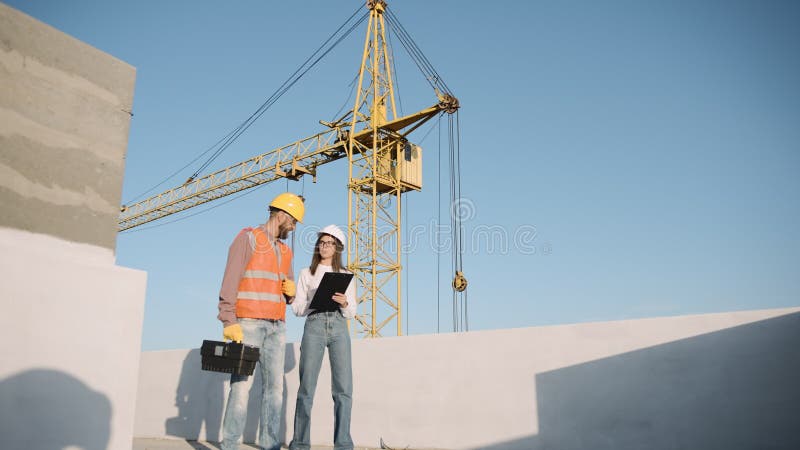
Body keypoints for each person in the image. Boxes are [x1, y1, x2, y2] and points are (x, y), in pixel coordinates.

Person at [217, 192, 305, 450]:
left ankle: (269, 445)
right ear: (282, 215)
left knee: (274, 391)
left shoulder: (286, 251)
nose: (294, 227)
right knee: (241, 388)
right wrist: (228, 319)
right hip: (248, 324)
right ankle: (230, 445)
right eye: (294, 222)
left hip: (277, 327)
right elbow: (230, 280)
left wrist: (291, 294)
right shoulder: (248, 239)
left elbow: (286, 290)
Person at [289, 224, 357, 450]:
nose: (324, 246)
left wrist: (345, 303)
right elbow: (297, 308)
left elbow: (352, 311)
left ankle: (343, 444)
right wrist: (313, 301)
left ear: (337, 248)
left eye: (329, 243)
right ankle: (299, 444)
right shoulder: (306, 273)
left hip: (339, 326)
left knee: (343, 389)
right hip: (315, 324)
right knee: (306, 388)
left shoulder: (346, 275)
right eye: (321, 242)